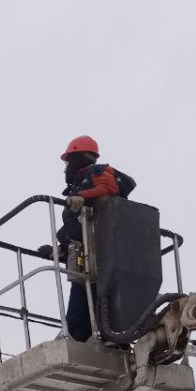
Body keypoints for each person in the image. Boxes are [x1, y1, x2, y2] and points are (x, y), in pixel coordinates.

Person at [39, 136, 136, 341]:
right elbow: (76, 231)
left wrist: (84, 196)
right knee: (84, 298)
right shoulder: (79, 186)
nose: (66, 167)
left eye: (68, 161)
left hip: (99, 253)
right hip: (85, 253)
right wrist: (57, 250)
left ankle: (89, 336)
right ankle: (83, 335)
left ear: (79, 157)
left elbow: (109, 188)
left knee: (94, 300)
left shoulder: (97, 173)